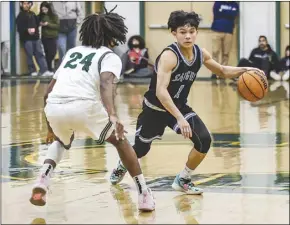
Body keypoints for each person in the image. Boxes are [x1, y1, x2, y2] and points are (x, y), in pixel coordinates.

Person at [110, 10, 265, 194]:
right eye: (183, 32)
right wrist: (180, 119)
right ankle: (122, 164)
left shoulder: (200, 53)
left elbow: (222, 70)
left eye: (192, 31)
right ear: (173, 33)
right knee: (141, 150)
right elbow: (161, 92)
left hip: (179, 105)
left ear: (197, 32)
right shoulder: (169, 56)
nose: (188, 36)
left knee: (204, 140)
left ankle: (183, 179)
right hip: (156, 109)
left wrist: (248, 69)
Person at [29, 7, 155, 212]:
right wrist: (113, 115)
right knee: (121, 142)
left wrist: (50, 129)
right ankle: (144, 194)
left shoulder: (73, 52)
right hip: (84, 106)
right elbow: (106, 84)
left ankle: (43, 179)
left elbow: (47, 93)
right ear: (113, 35)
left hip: (54, 106)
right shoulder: (109, 56)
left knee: (62, 141)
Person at [16, 1, 53, 76]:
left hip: (36, 38)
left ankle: (44, 70)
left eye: (28, 3)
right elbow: (19, 28)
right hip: (27, 38)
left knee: (40, 54)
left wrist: (42, 22)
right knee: (29, 55)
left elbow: (37, 22)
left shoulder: (32, 13)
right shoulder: (20, 16)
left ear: (30, 4)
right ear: (22, 5)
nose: (26, 5)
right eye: (24, 4)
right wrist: (27, 30)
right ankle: (32, 70)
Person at [211, 1, 239, 79]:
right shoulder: (218, 2)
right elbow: (217, 14)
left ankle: (222, 73)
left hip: (229, 31)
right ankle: (214, 72)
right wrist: (228, 14)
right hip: (217, 30)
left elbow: (233, 15)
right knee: (215, 52)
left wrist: (223, 12)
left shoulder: (235, 4)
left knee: (226, 54)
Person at [53, 2, 84, 67]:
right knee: (61, 47)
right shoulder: (54, 2)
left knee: (71, 47)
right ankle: (62, 65)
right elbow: (51, 13)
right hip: (60, 28)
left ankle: (71, 65)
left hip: (72, 26)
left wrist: (77, 23)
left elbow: (80, 13)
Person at [38, 1, 59, 73]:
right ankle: (49, 68)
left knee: (53, 52)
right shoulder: (40, 16)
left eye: (45, 9)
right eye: (42, 10)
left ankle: (50, 67)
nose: (44, 11)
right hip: (45, 37)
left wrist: (48, 24)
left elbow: (57, 26)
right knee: (47, 53)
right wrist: (40, 24)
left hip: (53, 37)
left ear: (49, 9)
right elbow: (35, 22)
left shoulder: (54, 16)